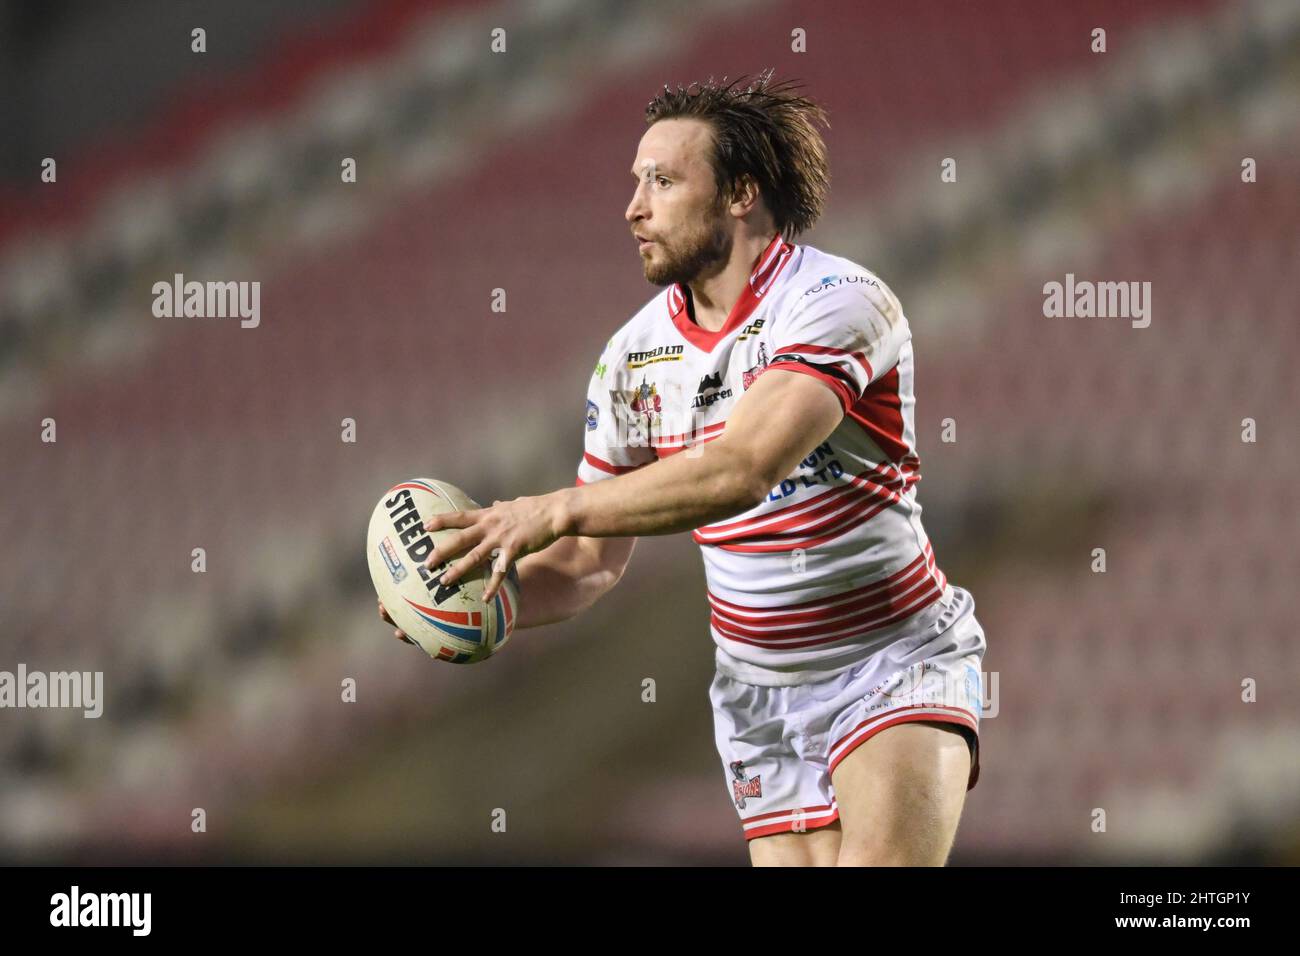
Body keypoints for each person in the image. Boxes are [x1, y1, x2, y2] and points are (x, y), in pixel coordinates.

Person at [380, 70, 986, 866]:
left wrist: (553, 508)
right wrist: (479, 602)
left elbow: (742, 468)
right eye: (636, 182)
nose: (633, 207)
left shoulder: (839, 302)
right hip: (758, 698)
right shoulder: (631, 359)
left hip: (888, 660)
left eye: (661, 181)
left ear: (740, 192)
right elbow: (591, 565)